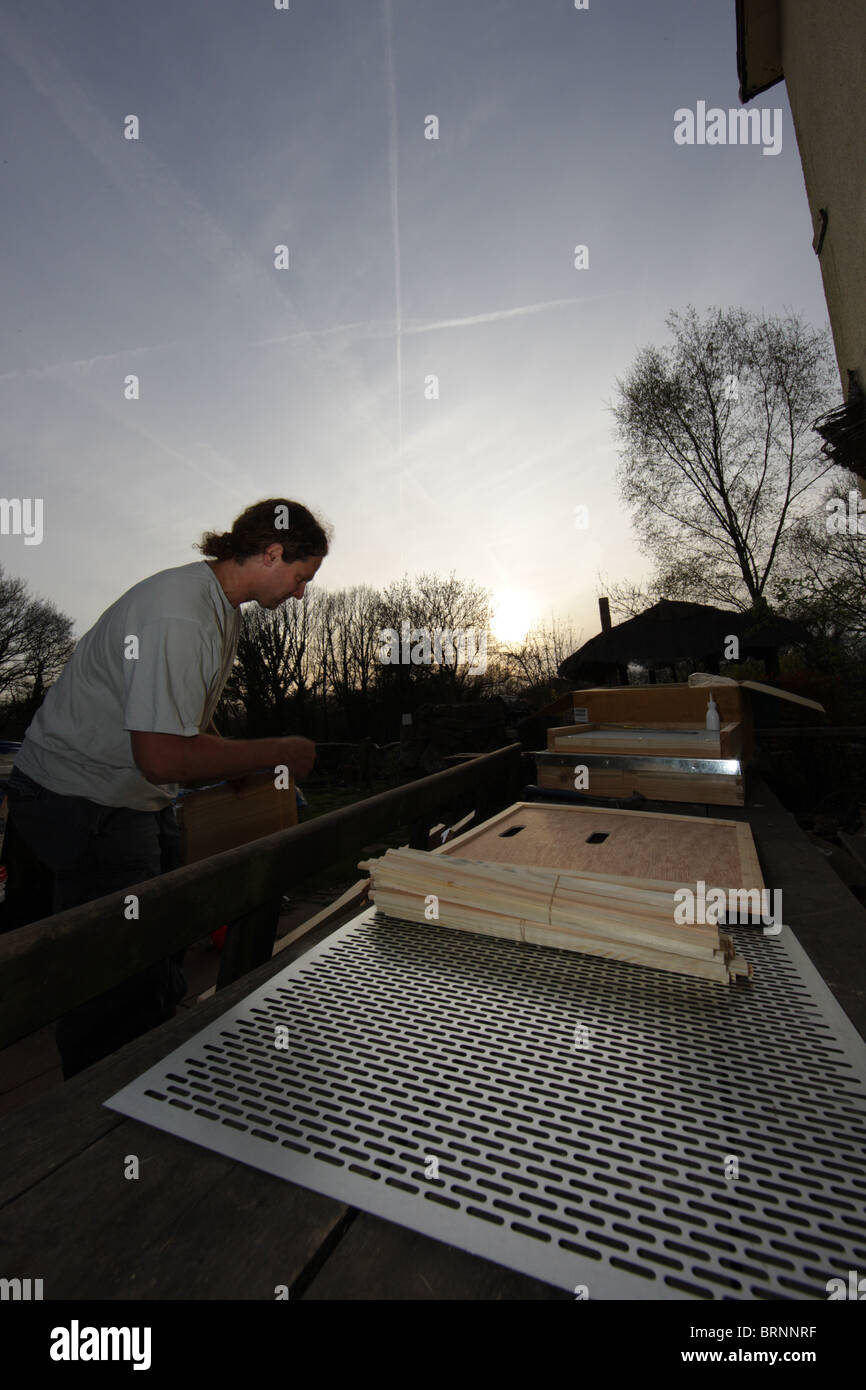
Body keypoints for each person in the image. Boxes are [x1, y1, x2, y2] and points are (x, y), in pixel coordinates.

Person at [6, 497, 328, 1079]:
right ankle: (100, 1119)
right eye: (302, 578)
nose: (301, 593)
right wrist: (278, 752)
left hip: (119, 795)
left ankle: (143, 1059)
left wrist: (231, 762)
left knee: (160, 935)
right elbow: (160, 756)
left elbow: (185, 722)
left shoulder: (218, 607)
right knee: (116, 976)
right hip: (81, 800)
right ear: (274, 552)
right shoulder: (182, 615)